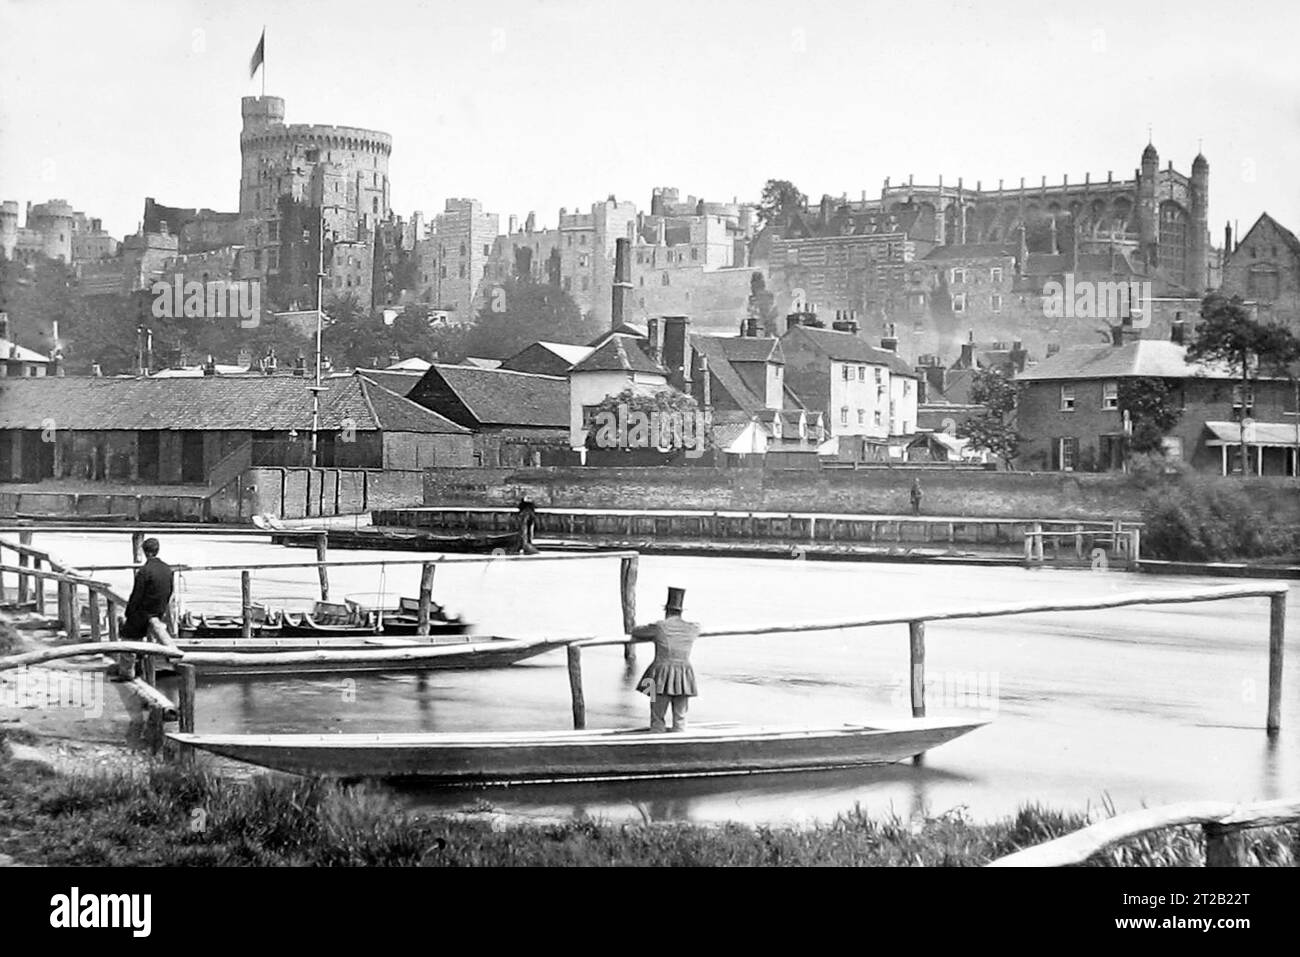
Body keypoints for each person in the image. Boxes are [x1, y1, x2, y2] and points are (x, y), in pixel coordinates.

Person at [631, 587, 698, 733]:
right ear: (681, 612)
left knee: (657, 715)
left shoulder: (659, 627)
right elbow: (698, 628)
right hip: (684, 674)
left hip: (659, 674)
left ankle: (656, 738)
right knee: (680, 716)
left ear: (667, 611)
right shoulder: (692, 628)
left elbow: (636, 631)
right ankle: (678, 741)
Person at [121, 538, 174, 640]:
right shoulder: (167, 569)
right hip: (160, 611)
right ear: (157, 550)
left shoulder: (144, 571)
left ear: (145, 552)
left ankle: (134, 654)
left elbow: (137, 596)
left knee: (126, 633)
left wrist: (128, 613)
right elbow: (170, 591)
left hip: (145, 613)